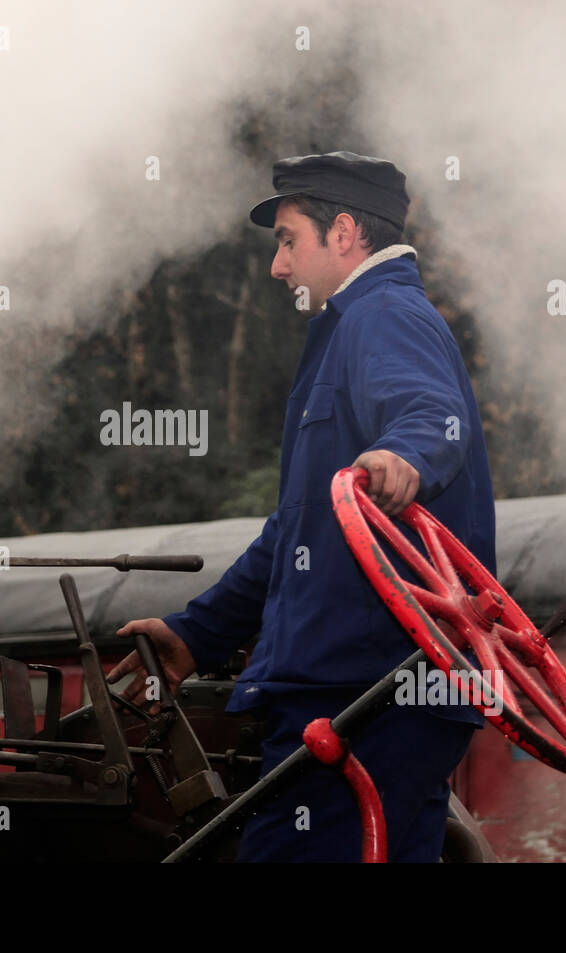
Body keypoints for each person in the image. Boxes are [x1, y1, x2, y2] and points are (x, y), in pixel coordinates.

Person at [107, 151, 497, 862]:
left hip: (359, 695)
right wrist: (196, 632)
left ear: (343, 231)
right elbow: (298, 534)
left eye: (288, 240)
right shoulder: (348, 331)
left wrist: (403, 458)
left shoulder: (383, 315)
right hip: (381, 691)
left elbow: (430, 414)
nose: (276, 267)